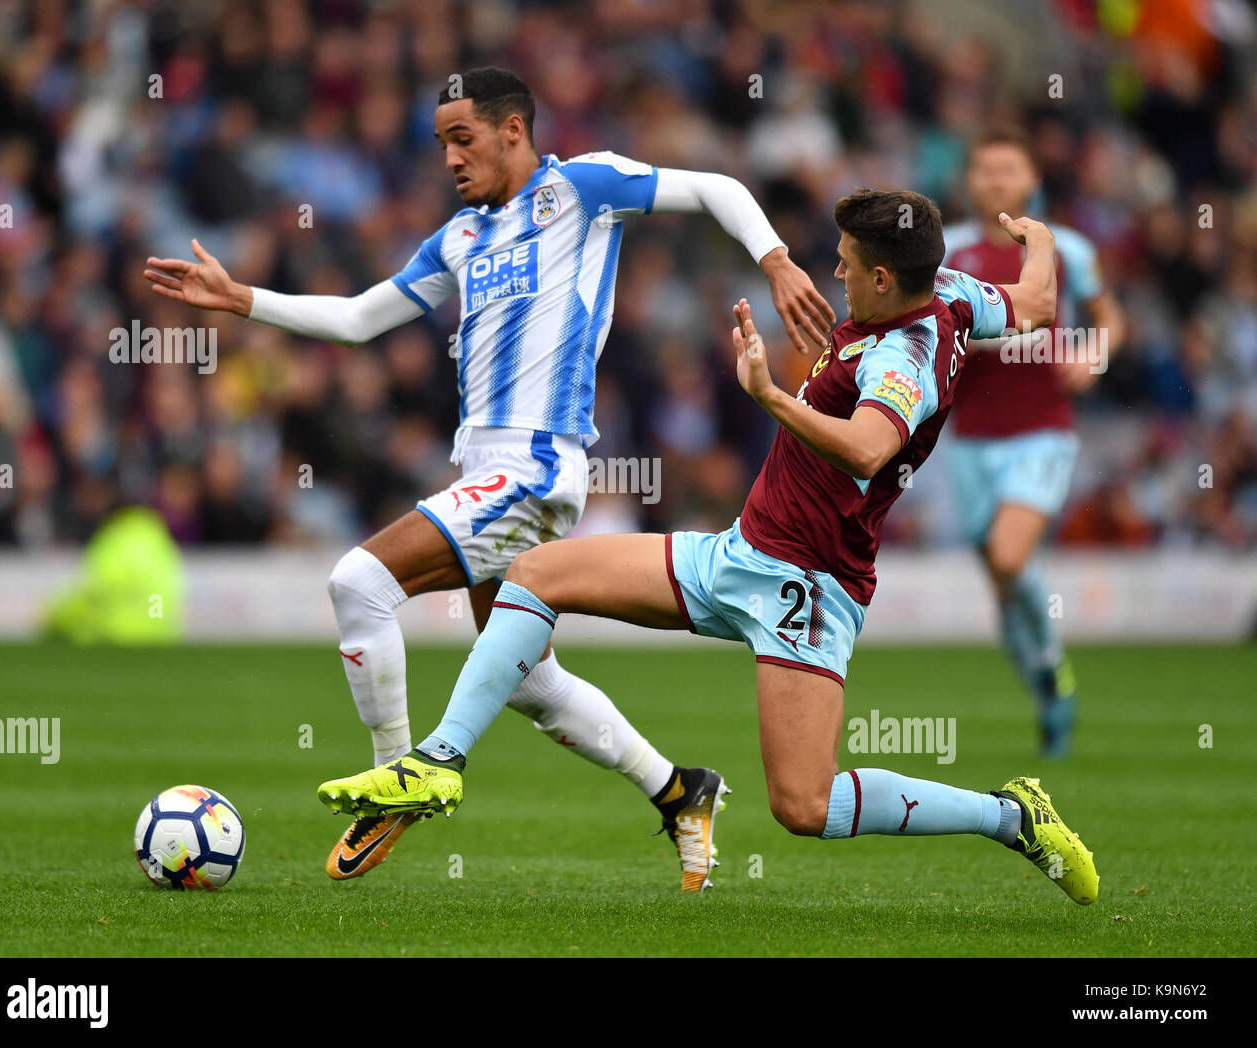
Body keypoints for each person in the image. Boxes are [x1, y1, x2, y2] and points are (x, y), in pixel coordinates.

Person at [143, 67, 833, 891]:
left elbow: (717, 185)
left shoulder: (582, 188)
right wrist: (244, 299)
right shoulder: (462, 238)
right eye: (440, 144)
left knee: (358, 582)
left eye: (462, 139)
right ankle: (681, 789)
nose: (449, 159)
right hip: (486, 469)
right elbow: (364, 318)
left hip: (535, 466)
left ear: (514, 130)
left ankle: (396, 775)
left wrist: (778, 260)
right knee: (529, 680)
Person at [317, 189, 1099, 905]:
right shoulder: (959, 294)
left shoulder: (904, 359)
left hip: (807, 591)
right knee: (535, 573)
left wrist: (769, 396)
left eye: (848, 263)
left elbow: (866, 449)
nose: (835, 270)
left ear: (887, 278)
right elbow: (1035, 301)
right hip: (740, 554)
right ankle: (438, 762)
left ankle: (1009, 816)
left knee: (806, 806)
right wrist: (1037, 238)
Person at [942, 129, 1126, 757]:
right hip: (968, 441)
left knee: (1011, 556)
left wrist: (1094, 355)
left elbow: (1110, 317)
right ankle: (1048, 694)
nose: (996, 180)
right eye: (985, 170)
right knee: (1002, 580)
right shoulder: (949, 256)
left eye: (1009, 169)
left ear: (1031, 180)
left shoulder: (1064, 247)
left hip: (1042, 429)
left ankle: (1051, 664)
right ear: (970, 182)